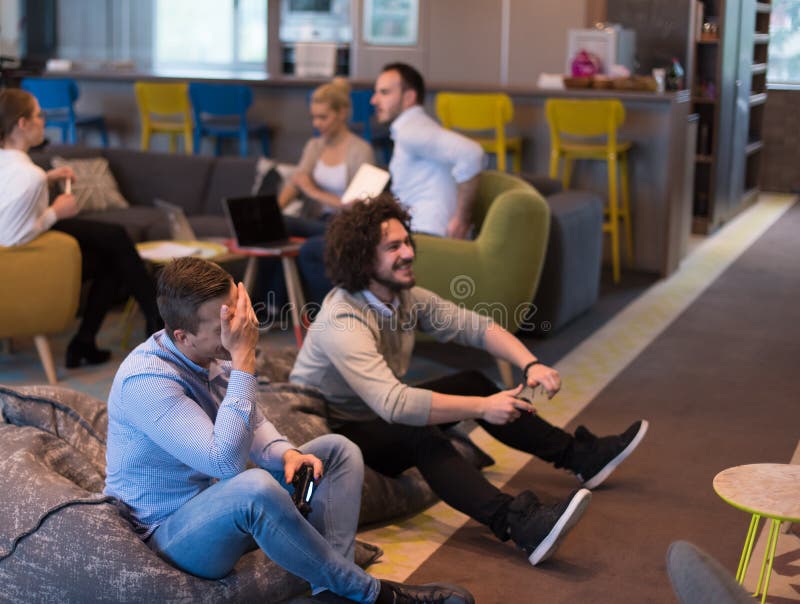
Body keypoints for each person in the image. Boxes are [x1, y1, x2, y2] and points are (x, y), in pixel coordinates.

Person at [290, 194, 649, 567]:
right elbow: (394, 404)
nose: (409, 252)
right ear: (362, 259)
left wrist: (530, 365)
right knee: (419, 432)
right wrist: (484, 408)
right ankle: (518, 525)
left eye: (407, 241)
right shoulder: (343, 321)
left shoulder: (404, 298)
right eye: (393, 247)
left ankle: (581, 457)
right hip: (333, 431)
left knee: (473, 380)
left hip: (372, 413)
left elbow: (476, 327)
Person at [104, 256, 474, 604]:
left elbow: (256, 423)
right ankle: (373, 593)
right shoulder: (148, 381)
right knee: (254, 487)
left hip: (210, 505)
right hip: (168, 535)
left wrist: (287, 454)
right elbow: (226, 463)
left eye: (237, 314)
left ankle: (330, 590)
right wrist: (244, 359)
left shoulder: (209, 352)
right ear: (182, 336)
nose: (240, 330)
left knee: (337, 451)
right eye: (224, 327)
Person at [296, 63, 484, 307]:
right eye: (377, 92)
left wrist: (461, 218)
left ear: (409, 97)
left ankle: (347, 321)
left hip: (424, 236)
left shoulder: (412, 130)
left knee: (312, 250)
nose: (374, 100)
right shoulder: (412, 130)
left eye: (385, 93)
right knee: (318, 233)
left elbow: (472, 154)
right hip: (413, 231)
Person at [0, 88, 162, 367]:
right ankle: (154, 322)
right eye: (39, 116)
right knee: (115, 248)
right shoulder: (29, 175)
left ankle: (88, 341)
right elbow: (10, 235)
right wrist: (55, 212)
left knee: (114, 244)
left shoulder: (14, 166)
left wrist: (48, 178)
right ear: (22, 124)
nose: (44, 121)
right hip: (25, 262)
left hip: (27, 253)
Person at [278, 77, 376, 237]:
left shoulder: (361, 150)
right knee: (275, 225)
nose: (316, 124)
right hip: (316, 221)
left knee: (290, 227)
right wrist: (272, 214)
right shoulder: (314, 146)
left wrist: (312, 191)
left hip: (346, 225)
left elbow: (358, 207)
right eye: (314, 117)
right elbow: (295, 183)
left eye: (323, 117)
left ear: (342, 113)